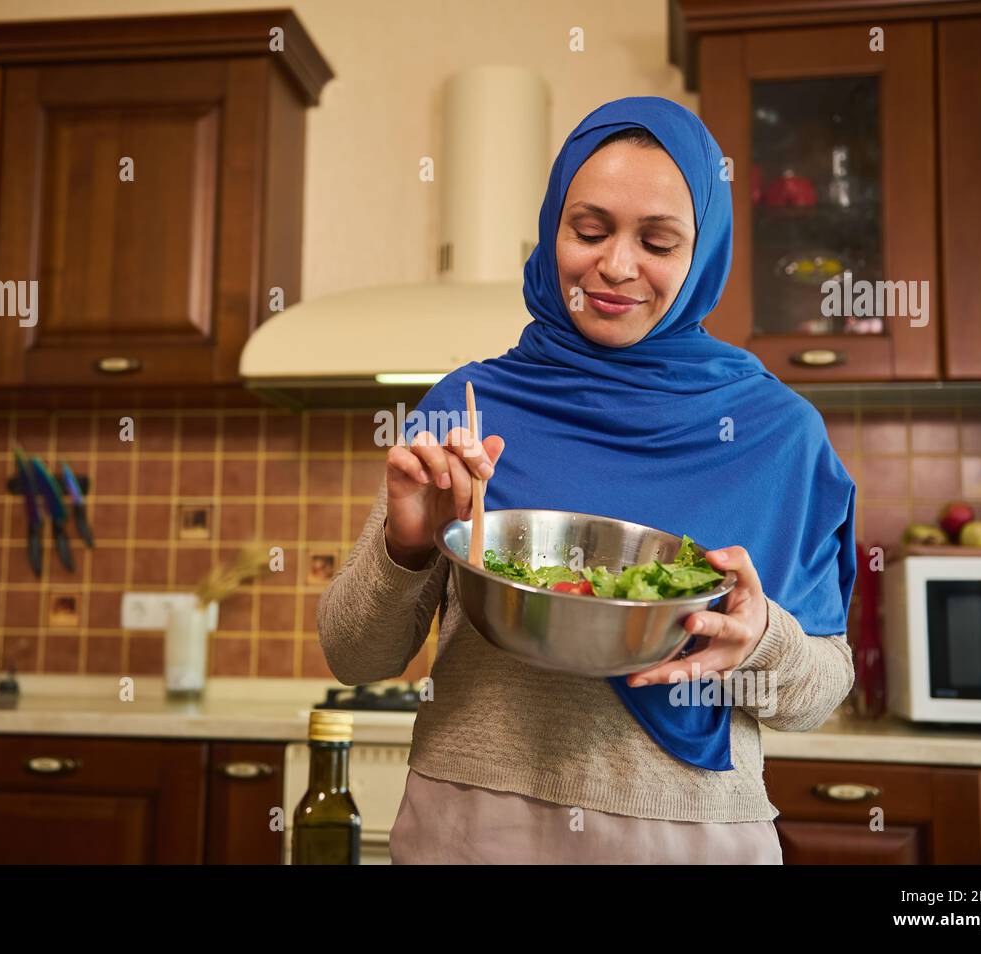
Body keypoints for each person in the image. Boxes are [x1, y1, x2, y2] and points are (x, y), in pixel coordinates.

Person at [316, 97, 857, 864]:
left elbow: (821, 693)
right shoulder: (467, 411)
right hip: (471, 828)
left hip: (691, 836)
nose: (616, 267)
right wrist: (405, 549)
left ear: (703, 254)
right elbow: (354, 658)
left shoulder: (778, 433)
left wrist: (763, 641)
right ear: (553, 230)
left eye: (659, 241)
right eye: (590, 230)